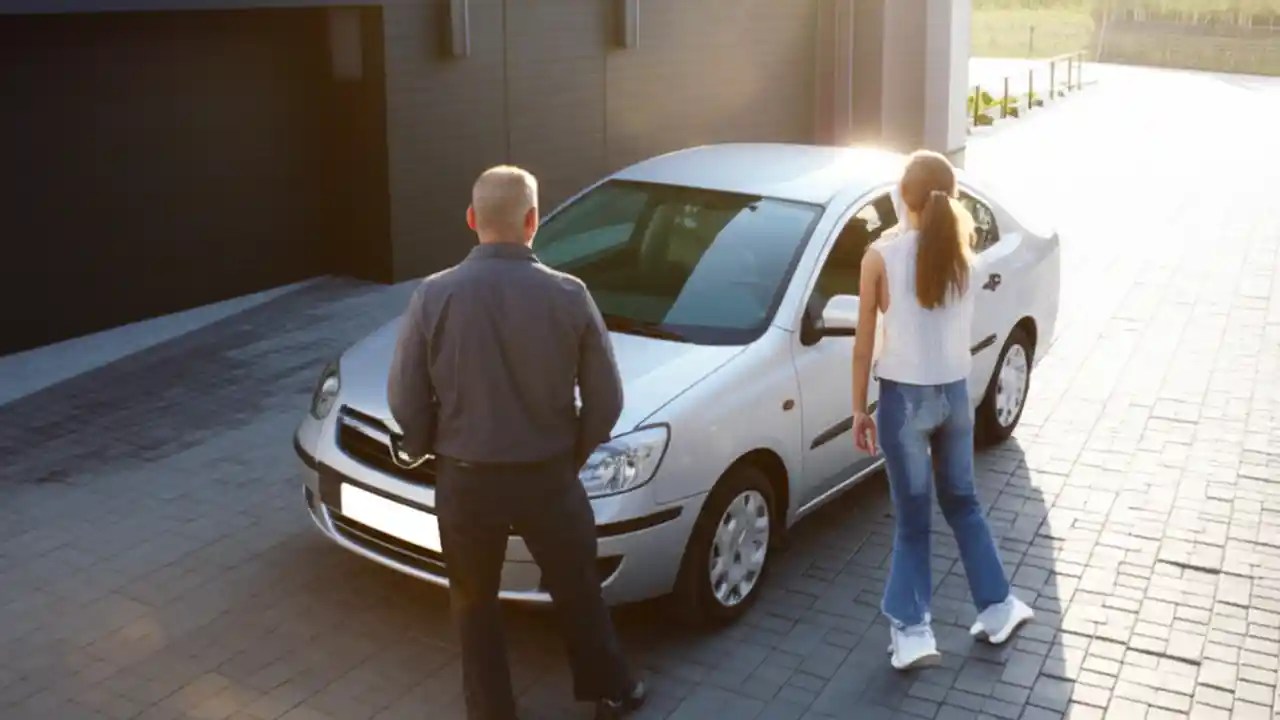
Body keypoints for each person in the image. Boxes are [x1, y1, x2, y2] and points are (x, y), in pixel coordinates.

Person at [387, 166, 646, 719]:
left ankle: (490, 711)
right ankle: (610, 691)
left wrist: (429, 446)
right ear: (533, 222)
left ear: (471, 220)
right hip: (548, 475)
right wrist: (570, 454)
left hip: (465, 477)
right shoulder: (569, 294)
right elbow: (607, 400)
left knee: (473, 602)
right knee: (578, 589)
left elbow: (406, 395)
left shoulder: (433, 294)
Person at [850, 150, 1034, 670]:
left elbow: (864, 343)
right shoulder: (964, 257)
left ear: (900, 197)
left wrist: (858, 410)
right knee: (964, 503)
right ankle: (998, 607)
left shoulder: (879, 258)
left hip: (903, 401)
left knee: (913, 520)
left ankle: (913, 633)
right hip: (955, 396)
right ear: (952, 198)